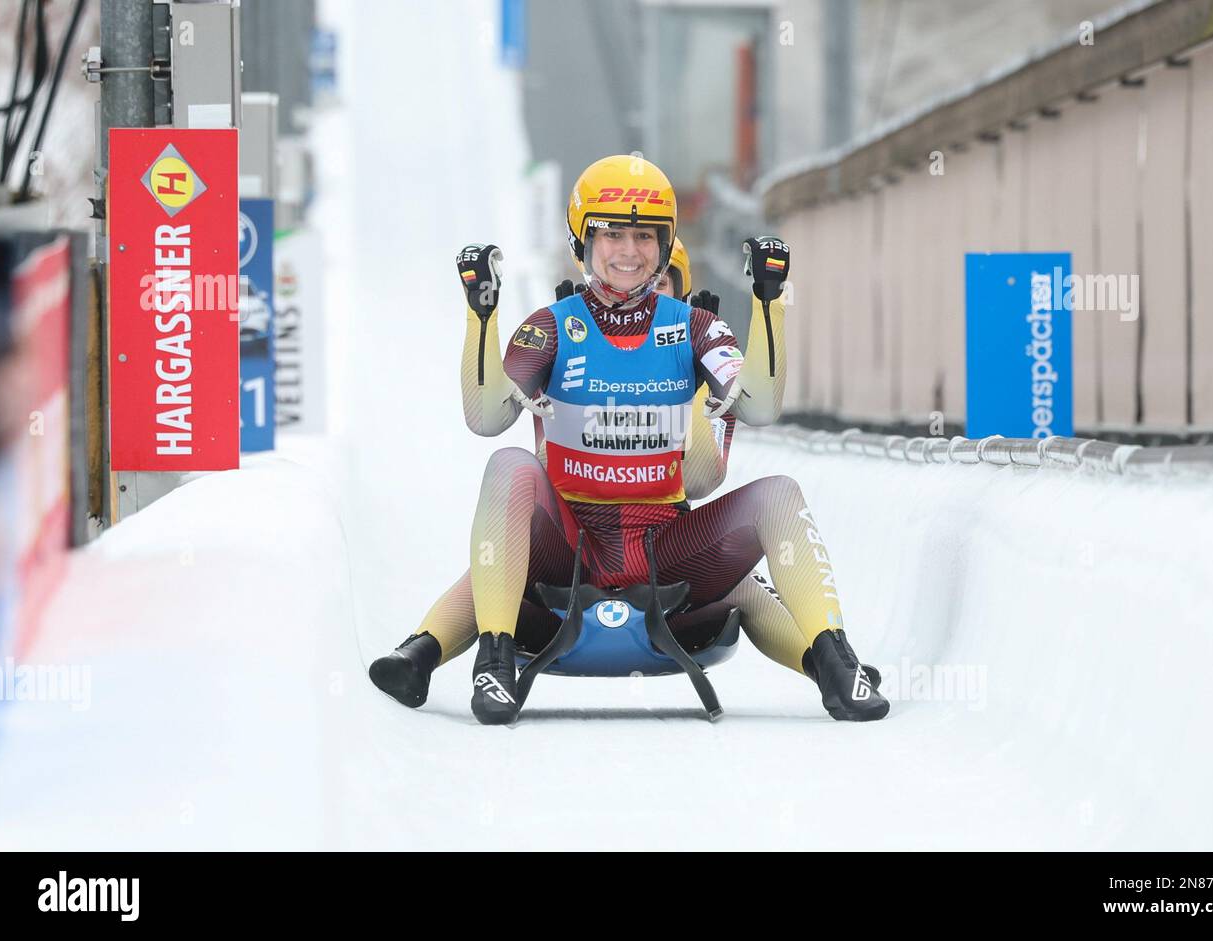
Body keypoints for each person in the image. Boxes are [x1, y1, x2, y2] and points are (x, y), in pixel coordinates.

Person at [371, 155, 888, 724]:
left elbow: (756, 410)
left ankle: (839, 669)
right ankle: (493, 665)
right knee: (509, 464)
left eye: (644, 236)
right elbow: (486, 419)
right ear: (583, 243)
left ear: (666, 246)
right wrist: (482, 318)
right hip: (569, 548)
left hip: (665, 549)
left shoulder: (696, 328)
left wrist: (770, 303)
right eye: (612, 234)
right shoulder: (549, 325)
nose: (629, 251)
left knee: (778, 493)